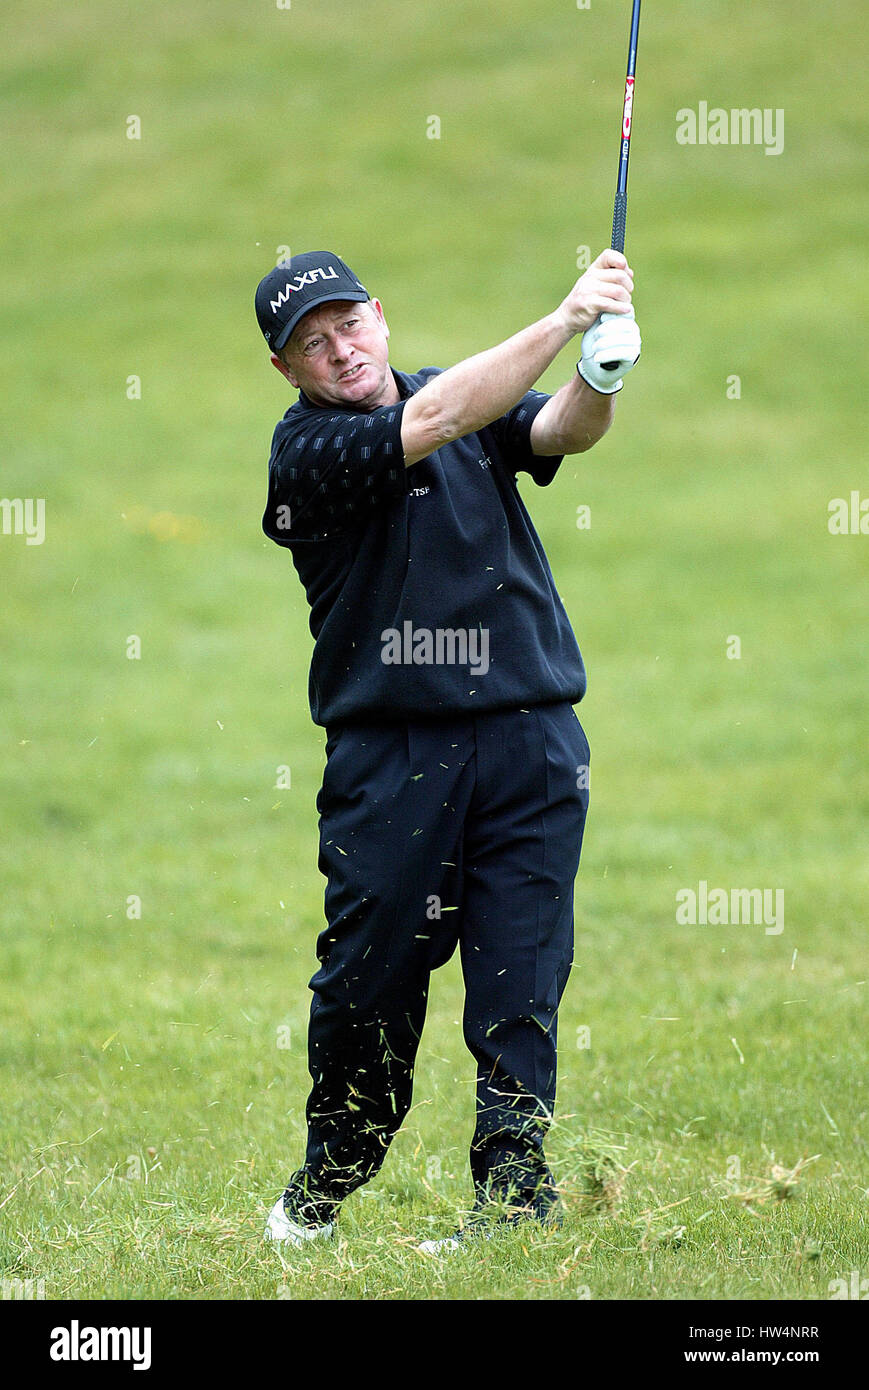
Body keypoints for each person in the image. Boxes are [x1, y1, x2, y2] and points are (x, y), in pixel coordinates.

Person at [254, 248, 640, 1253]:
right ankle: (322, 1187)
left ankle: (512, 1203)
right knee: (367, 988)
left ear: (381, 315)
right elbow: (432, 425)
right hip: (395, 759)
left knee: (519, 983)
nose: (341, 350)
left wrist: (596, 373)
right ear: (286, 369)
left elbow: (553, 430)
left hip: (533, 743)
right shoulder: (307, 454)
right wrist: (562, 319)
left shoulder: (454, 397)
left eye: (350, 325)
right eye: (312, 343)